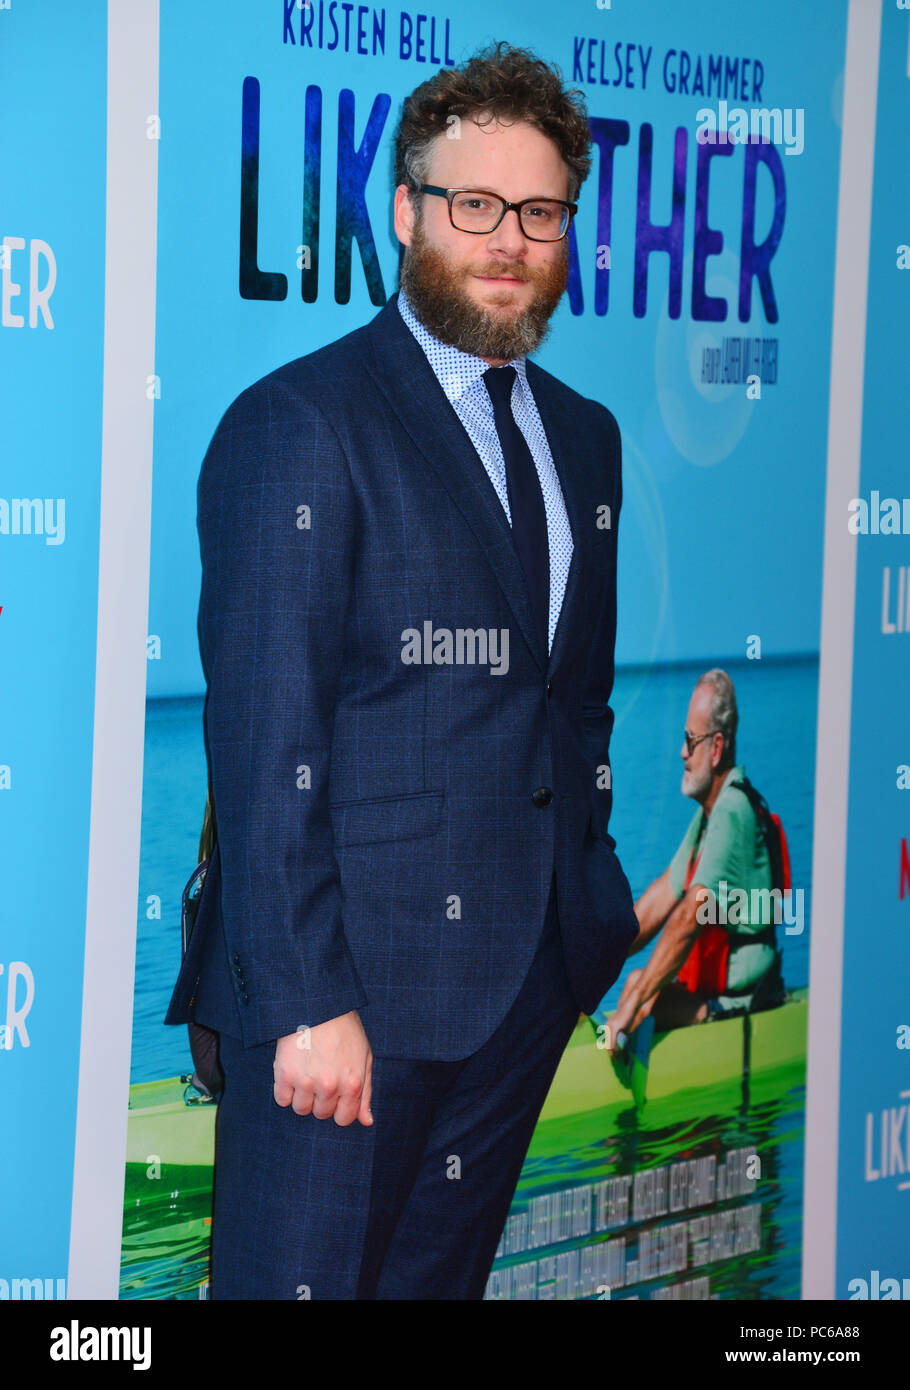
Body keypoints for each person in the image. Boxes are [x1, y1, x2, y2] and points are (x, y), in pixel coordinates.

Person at [165, 41, 638, 1300]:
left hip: (519, 990)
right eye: (472, 204)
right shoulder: (301, 422)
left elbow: (563, 698)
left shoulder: (585, 439)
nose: (506, 239)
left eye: (538, 211)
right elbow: (265, 738)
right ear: (405, 212)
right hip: (345, 1007)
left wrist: (582, 919)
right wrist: (307, 1001)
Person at [605, 669, 785, 1056]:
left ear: (716, 747)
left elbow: (688, 919)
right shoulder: (710, 814)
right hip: (717, 994)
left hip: (745, 1004)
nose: (682, 753)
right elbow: (659, 900)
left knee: (644, 995)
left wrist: (631, 1008)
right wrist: (596, 954)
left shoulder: (733, 812)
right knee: (638, 980)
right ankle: (616, 1045)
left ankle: (615, 1058)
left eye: (691, 740)